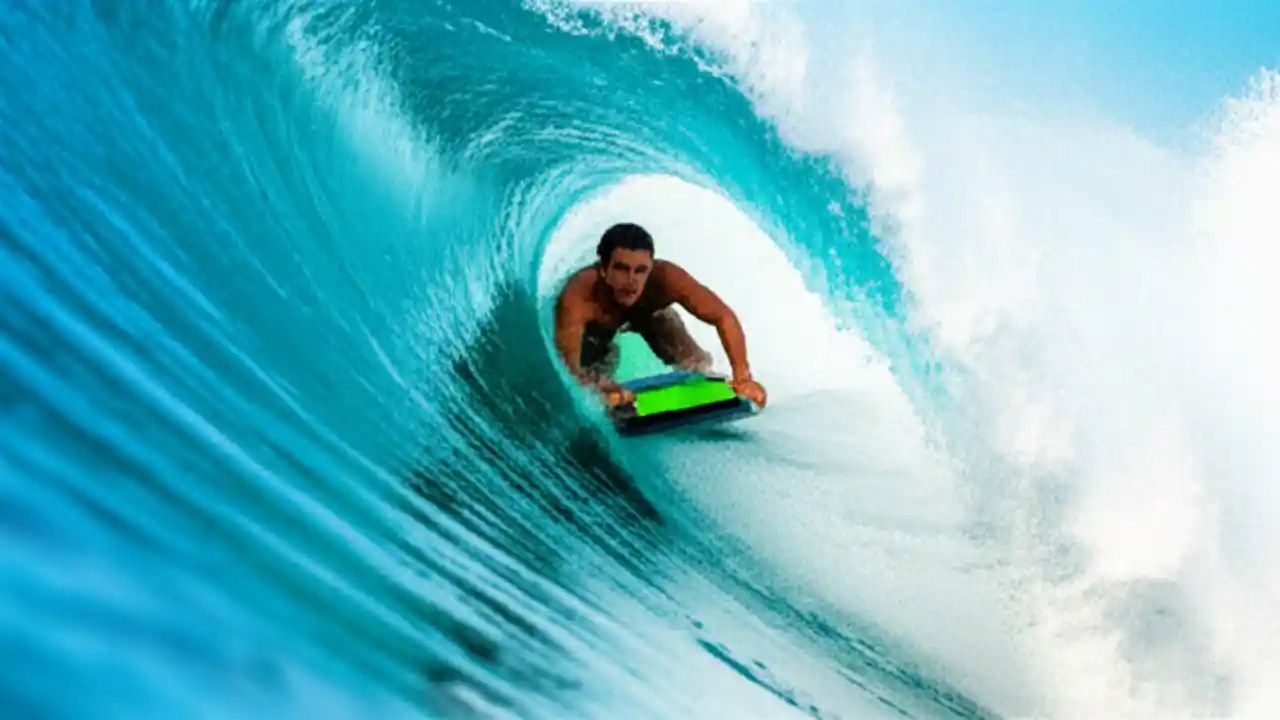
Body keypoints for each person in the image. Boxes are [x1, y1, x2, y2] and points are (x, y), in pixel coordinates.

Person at [553, 222, 767, 409]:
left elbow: (723, 316)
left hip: (647, 316)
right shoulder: (578, 298)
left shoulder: (666, 279)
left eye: (641, 270)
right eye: (621, 268)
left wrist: (743, 376)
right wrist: (598, 388)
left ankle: (706, 392)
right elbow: (569, 371)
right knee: (598, 375)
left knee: (693, 358)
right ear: (603, 268)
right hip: (595, 336)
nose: (631, 280)